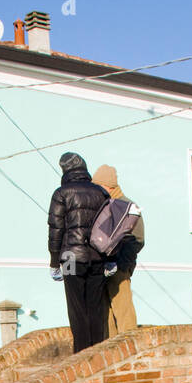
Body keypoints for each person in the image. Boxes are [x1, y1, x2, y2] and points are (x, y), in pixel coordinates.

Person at [48, 151, 110, 353]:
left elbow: (56, 230)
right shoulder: (101, 193)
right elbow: (110, 228)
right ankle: (97, 352)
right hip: (98, 254)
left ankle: (81, 354)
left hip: (69, 256)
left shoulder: (61, 193)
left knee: (76, 307)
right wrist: (111, 258)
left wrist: (54, 262)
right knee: (96, 307)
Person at [92, 164, 145, 336]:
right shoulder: (105, 204)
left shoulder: (128, 206)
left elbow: (137, 240)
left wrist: (121, 264)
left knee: (124, 315)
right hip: (103, 267)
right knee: (106, 316)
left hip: (119, 268)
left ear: (109, 185)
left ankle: (129, 354)